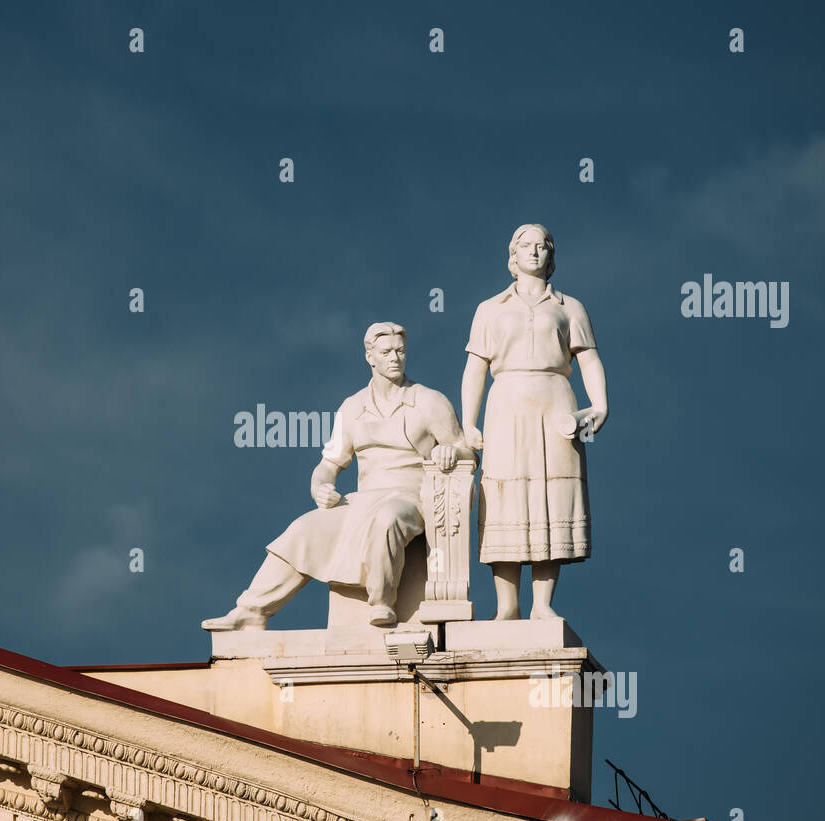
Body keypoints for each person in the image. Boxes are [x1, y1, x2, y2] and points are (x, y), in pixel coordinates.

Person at [203, 322, 474, 631]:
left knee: (388, 519)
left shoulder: (429, 401)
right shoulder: (352, 407)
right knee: (303, 529)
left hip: (411, 496)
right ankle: (251, 610)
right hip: (362, 499)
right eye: (386, 352)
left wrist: (450, 452)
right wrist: (320, 487)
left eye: (400, 351)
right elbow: (328, 464)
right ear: (370, 357)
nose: (395, 358)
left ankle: (382, 602)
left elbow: (465, 450)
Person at [460, 224, 609, 620]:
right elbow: (476, 367)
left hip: (556, 403)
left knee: (551, 498)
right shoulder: (490, 308)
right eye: (527, 245)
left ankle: (543, 605)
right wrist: (468, 423)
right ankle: (507, 606)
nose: (535, 251)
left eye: (543, 245)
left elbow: (589, 359)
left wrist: (600, 407)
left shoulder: (569, 307)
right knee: (506, 497)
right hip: (506, 403)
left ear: (551, 255)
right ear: (513, 254)